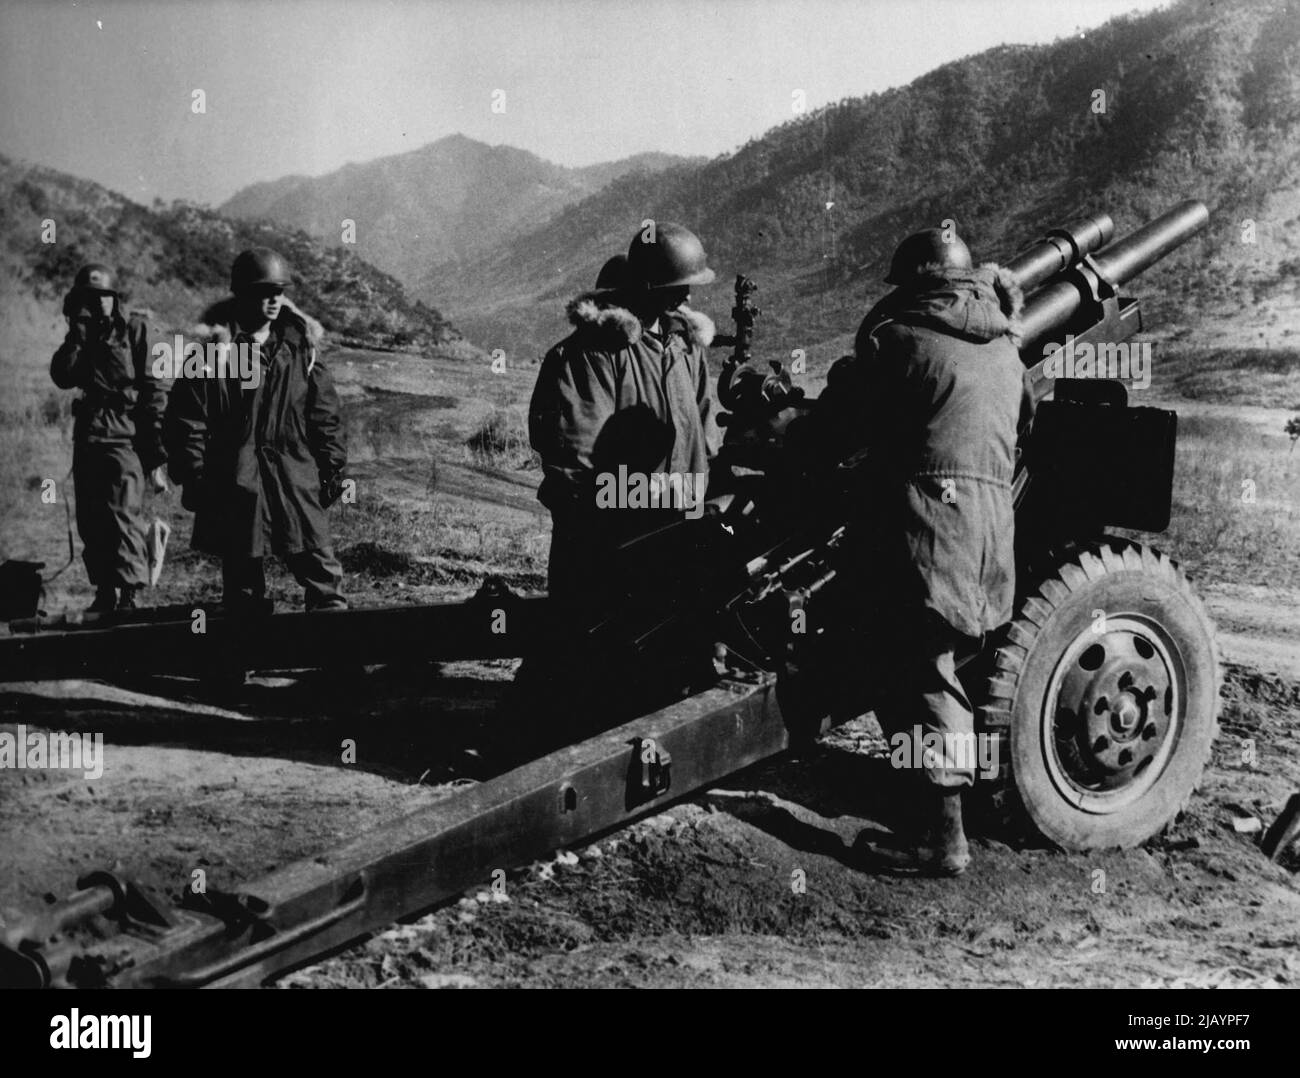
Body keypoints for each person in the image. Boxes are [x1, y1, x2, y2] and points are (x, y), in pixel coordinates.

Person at [840, 226, 1034, 876]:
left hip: (928, 532)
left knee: (921, 672)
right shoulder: (1008, 350)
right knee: (946, 668)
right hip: (989, 537)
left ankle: (942, 840)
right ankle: (938, 804)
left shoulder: (898, 340)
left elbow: (849, 424)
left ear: (919, 286)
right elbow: (1020, 426)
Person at [528, 224, 721, 622]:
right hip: (615, 535)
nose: (687, 295)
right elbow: (575, 462)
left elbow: (705, 432)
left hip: (678, 525)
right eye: (676, 285)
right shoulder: (592, 354)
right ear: (647, 285)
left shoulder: (684, 347)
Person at [165, 247, 348, 612]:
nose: (274, 301)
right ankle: (239, 659)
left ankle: (337, 657)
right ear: (242, 294)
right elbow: (187, 419)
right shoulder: (214, 354)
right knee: (243, 585)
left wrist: (332, 466)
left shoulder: (300, 351)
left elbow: (324, 416)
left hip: (294, 477)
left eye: (279, 292)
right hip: (237, 481)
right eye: (264, 293)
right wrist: (195, 474)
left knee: (323, 576)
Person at [50, 263, 168, 612]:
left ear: (115, 298)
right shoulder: (82, 336)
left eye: (103, 296)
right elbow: (62, 375)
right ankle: (104, 591)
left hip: (125, 438)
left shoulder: (137, 329)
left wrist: (156, 453)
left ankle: (128, 594)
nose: (98, 303)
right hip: (89, 437)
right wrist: (76, 332)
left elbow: (156, 390)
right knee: (92, 517)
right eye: (90, 297)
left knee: (122, 515)